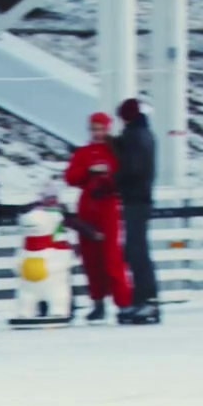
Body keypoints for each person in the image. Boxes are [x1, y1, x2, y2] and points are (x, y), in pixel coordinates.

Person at [63, 112, 130, 323]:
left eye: (101, 129)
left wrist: (109, 180)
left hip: (108, 206)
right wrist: (88, 171)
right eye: (94, 129)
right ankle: (98, 301)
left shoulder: (114, 150)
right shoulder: (83, 152)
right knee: (90, 257)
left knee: (112, 256)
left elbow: (123, 175)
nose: (97, 133)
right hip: (88, 206)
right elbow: (70, 177)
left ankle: (123, 302)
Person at [114, 98, 161, 324]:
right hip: (139, 198)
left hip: (136, 199)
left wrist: (113, 180)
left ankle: (147, 300)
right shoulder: (142, 134)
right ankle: (142, 298)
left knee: (137, 251)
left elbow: (132, 168)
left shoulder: (135, 136)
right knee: (135, 250)